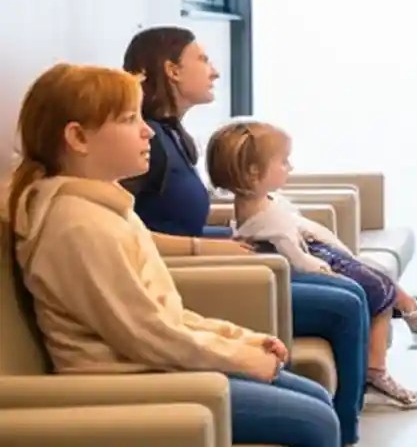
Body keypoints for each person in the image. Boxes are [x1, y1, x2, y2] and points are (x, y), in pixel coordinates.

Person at [3, 63, 341, 447]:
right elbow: (146, 334)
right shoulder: (77, 226)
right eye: (131, 119)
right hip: (132, 383)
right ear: (78, 137)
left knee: (315, 399)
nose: (147, 131)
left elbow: (164, 314)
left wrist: (238, 338)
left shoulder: (106, 210)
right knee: (313, 421)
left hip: (156, 365)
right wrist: (238, 357)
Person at [120, 26, 369, 443]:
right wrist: (207, 246)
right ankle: (345, 432)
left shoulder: (172, 137)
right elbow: (135, 234)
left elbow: (168, 222)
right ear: (171, 70)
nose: (214, 71)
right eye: (202, 60)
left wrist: (239, 238)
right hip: (186, 278)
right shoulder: (148, 145)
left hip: (197, 262)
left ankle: (351, 414)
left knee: (349, 291)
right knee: (343, 305)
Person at [207, 120, 417, 409]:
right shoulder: (268, 222)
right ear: (254, 172)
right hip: (313, 261)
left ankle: (405, 315)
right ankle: (381, 363)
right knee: (377, 289)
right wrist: (331, 273)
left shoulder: (268, 203)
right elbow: (299, 259)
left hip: (316, 250)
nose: (289, 167)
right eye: (283, 161)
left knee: (377, 278)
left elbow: (299, 228)